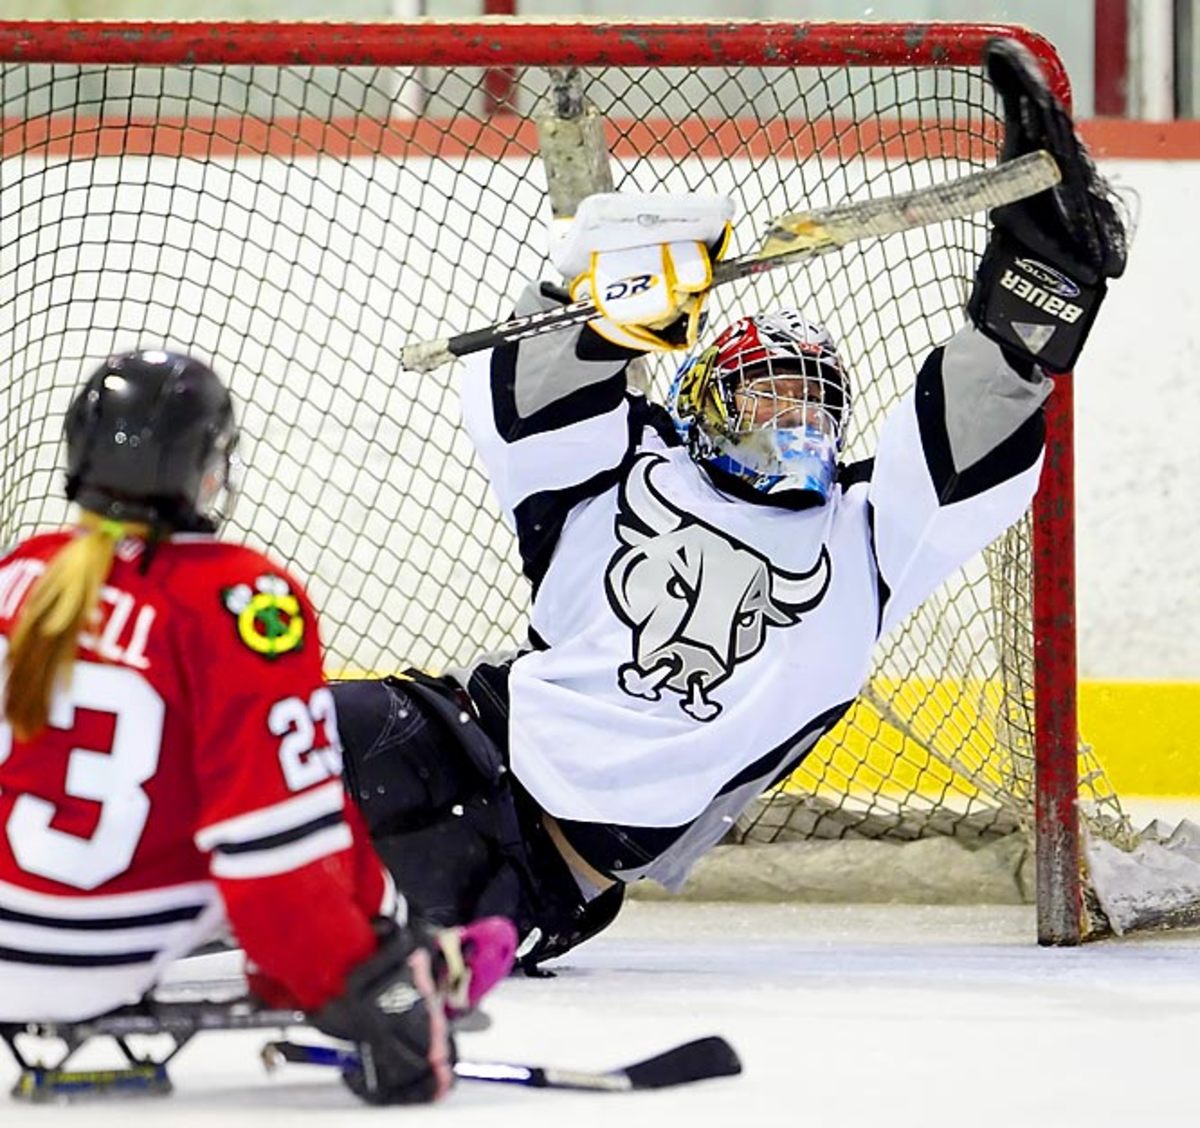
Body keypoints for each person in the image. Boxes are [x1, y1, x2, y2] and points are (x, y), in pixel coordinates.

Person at [331, 39, 1128, 968]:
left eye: (812, 403)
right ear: (703, 402)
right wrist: (614, 306)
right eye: (766, 396)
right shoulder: (622, 468)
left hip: (544, 877)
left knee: (254, 916)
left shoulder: (871, 538)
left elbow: (984, 407)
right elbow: (533, 395)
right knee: (236, 753)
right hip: (450, 738)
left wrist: (1041, 283)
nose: (792, 422)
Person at [0, 350, 516, 1105]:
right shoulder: (239, 598)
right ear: (206, 469)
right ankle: (411, 953)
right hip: (91, 957)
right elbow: (275, 854)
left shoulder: (23, 572)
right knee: (294, 806)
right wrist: (371, 988)